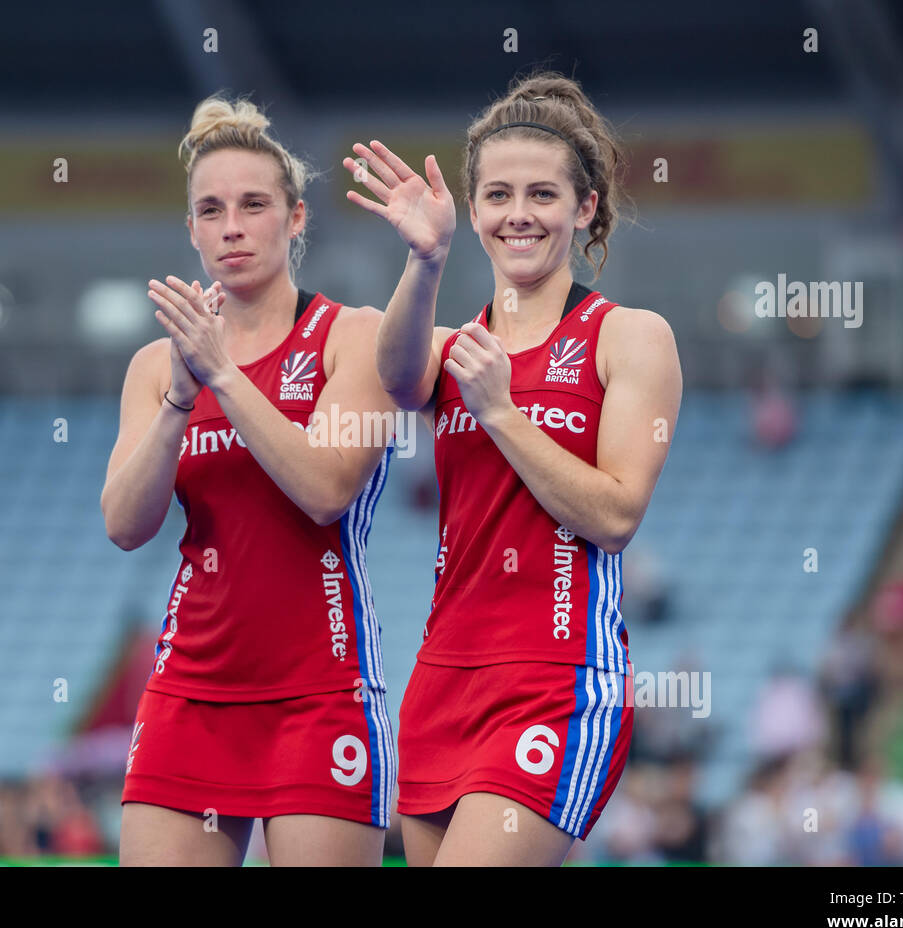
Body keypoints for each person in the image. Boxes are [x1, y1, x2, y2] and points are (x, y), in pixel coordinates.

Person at [345, 70, 682, 865]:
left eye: (542, 194)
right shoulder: (451, 345)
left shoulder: (628, 336)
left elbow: (615, 514)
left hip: (558, 680)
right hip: (442, 678)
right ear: (473, 212)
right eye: (497, 196)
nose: (518, 214)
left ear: (586, 207)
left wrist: (500, 411)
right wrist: (423, 262)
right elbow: (392, 380)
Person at [103, 94, 397, 866]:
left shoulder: (352, 335)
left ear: (296, 219)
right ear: (192, 231)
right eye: (211, 209)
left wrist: (223, 375)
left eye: (254, 204)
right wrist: (178, 396)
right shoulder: (155, 367)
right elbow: (125, 526)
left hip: (320, 688)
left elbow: (326, 488)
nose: (232, 225)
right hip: (191, 689)